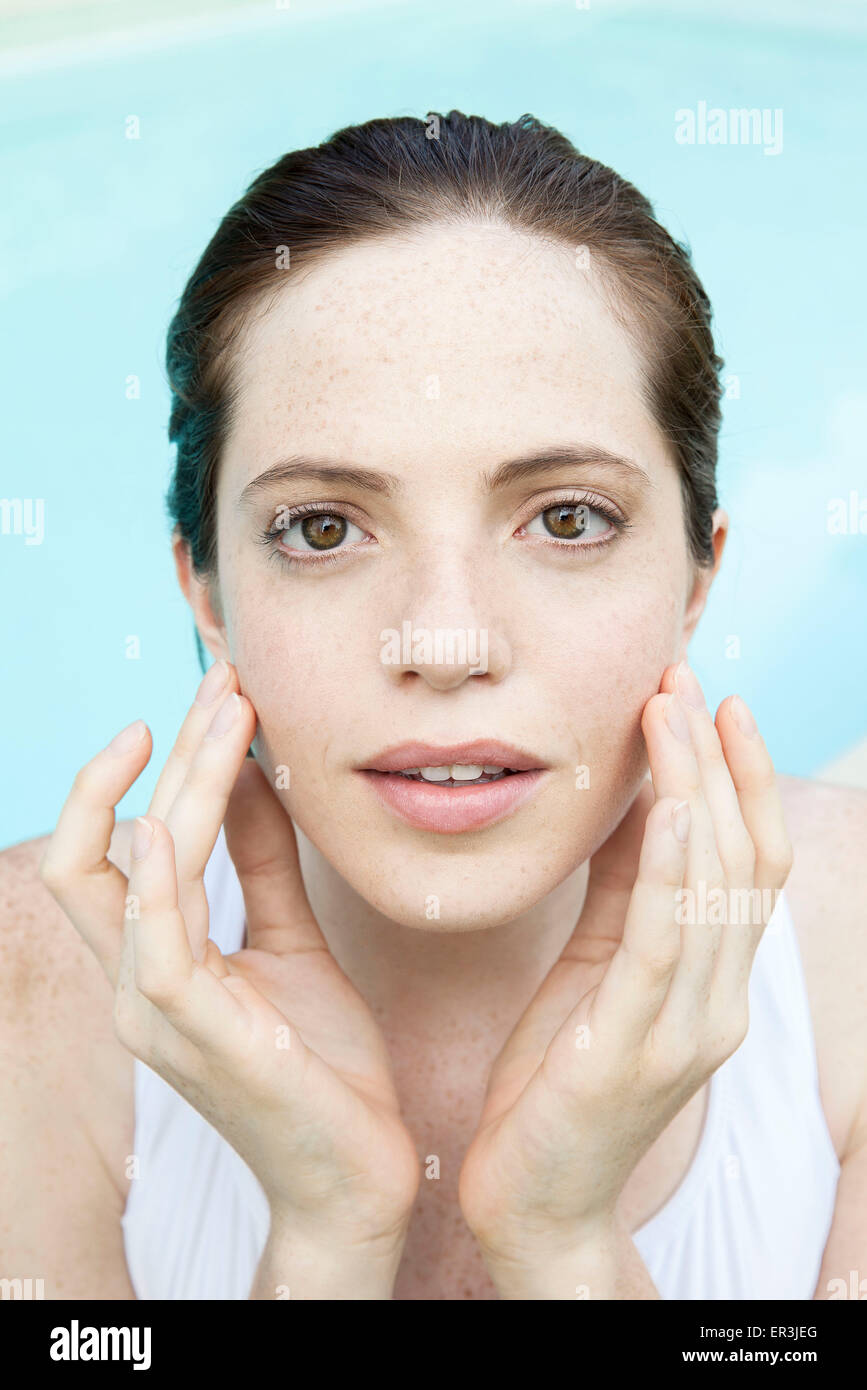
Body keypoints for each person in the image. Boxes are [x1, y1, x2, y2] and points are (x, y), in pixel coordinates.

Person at [2, 112, 865, 1301]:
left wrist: (560, 1237)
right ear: (202, 588)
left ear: (699, 579)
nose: (445, 643)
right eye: (323, 528)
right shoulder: (25, 990)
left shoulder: (854, 962)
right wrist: (328, 1233)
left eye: (568, 519)